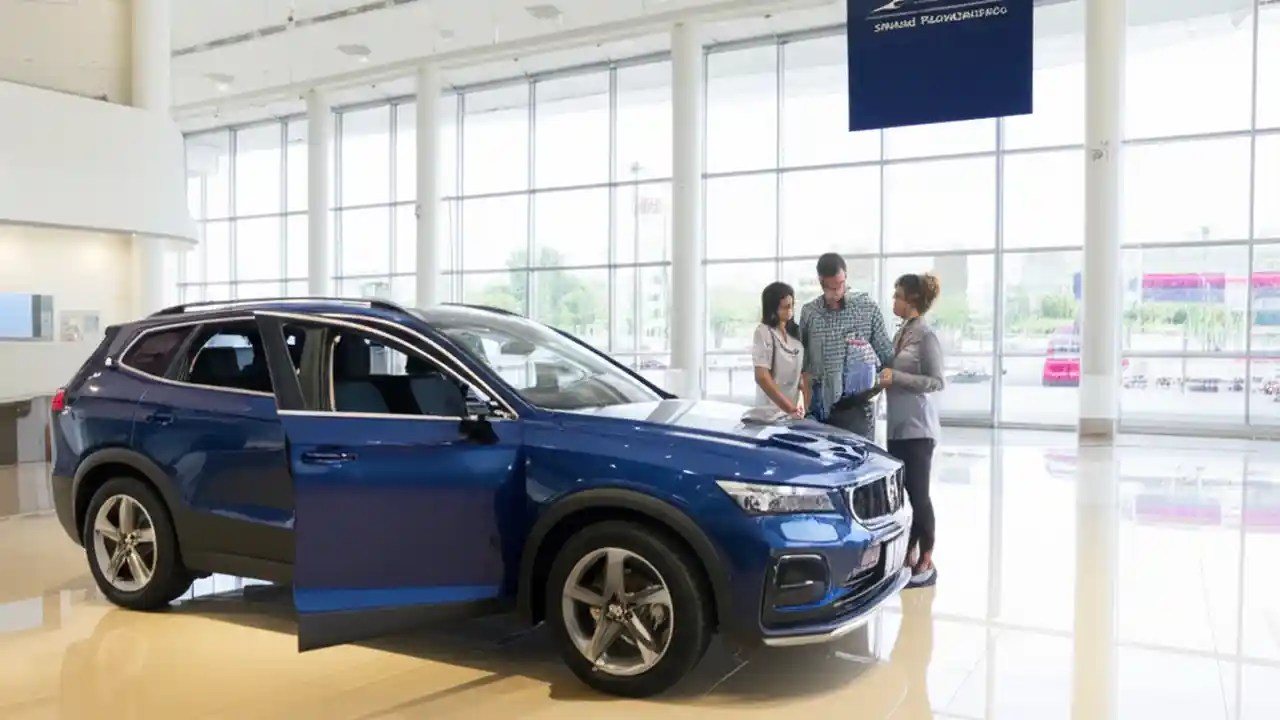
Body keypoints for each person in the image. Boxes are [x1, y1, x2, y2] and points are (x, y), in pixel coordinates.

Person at [880, 272, 945, 589]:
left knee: (919, 496)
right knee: (906, 495)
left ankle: (926, 558)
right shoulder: (902, 332)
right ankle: (910, 552)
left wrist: (897, 378)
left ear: (912, 301)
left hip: (918, 430)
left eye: (898, 295)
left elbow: (936, 382)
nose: (894, 300)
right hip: (897, 428)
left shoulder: (926, 335)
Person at [799, 253, 895, 441]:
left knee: (857, 464)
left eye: (841, 284)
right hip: (819, 406)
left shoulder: (867, 308)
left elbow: (887, 355)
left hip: (856, 408)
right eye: (831, 287)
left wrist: (876, 386)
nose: (837, 292)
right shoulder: (810, 313)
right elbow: (804, 363)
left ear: (846, 277)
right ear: (821, 282)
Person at [751, 282, 805, 418]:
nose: (790, 311)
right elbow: (762, 376)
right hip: (769, 411)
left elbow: (801, 376)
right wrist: (788, 407)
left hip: (792, 411)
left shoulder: (795, 334)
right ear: (773, 309)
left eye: (792, 306)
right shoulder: (763, 332)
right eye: (785, 307)